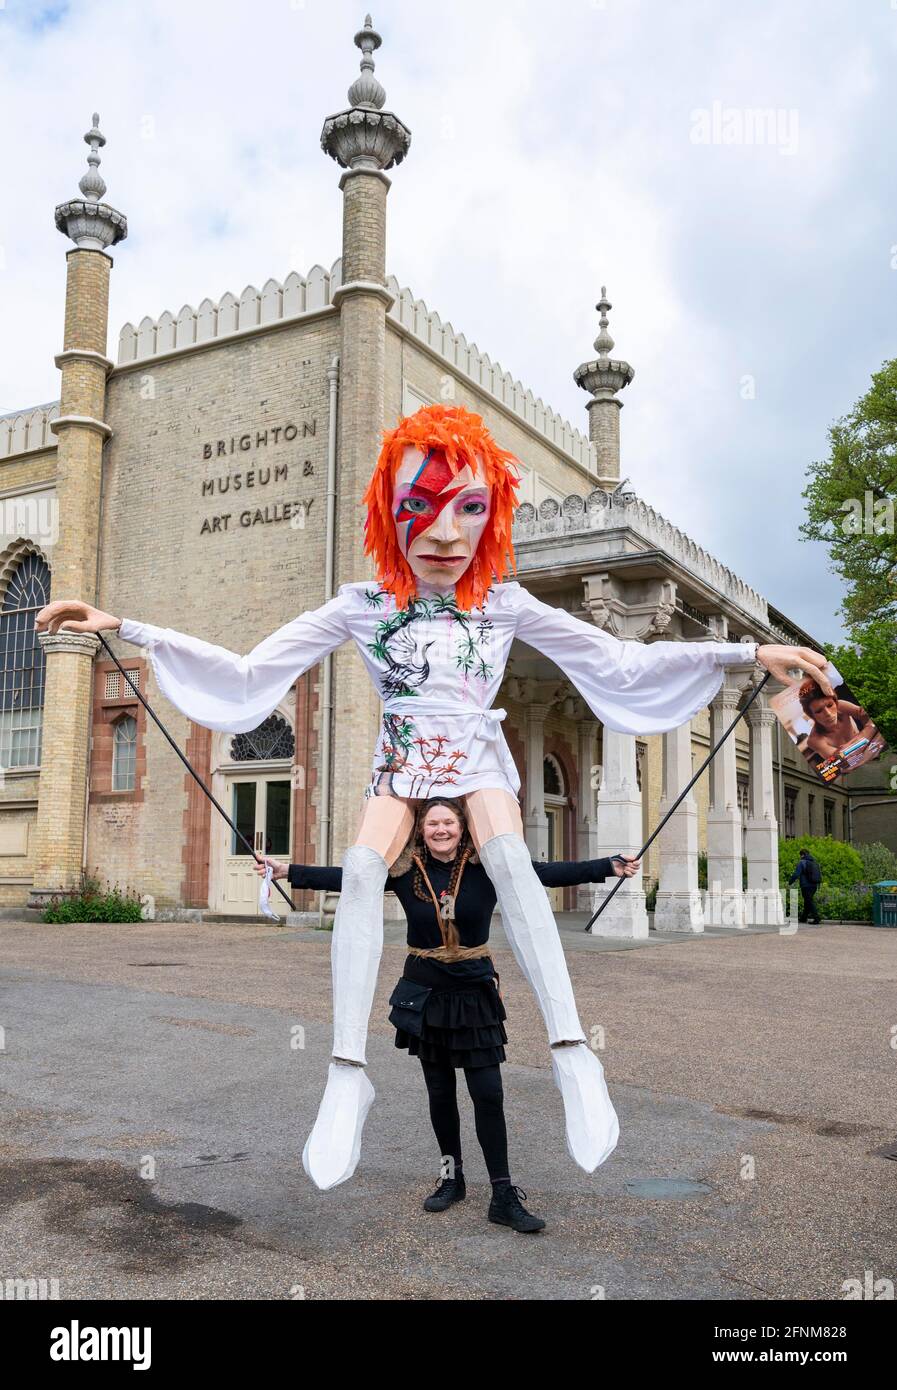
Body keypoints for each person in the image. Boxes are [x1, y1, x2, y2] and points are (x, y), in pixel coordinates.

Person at [35, 401, 834, 1193]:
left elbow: (621, 665)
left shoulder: (505, 603)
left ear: (492, 518)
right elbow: (250, 674)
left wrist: (747, 649)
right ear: (390, 513)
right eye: (419, 509)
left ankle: (569, 1051)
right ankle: (346, 1070)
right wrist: (128, 626)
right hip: (400, 754)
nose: (446, 536)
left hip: (479, 753)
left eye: (469, 511)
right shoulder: (362, 604)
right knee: (355, 871)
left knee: (515, 867)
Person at [259, 795, 639, 1232]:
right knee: (440, 1092)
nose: (441, 830)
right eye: (433, 823)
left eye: (449, 823)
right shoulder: (403, 872)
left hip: (474, 994)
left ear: (463, 827)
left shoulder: (488, 868)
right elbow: (350, 877)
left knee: (488, 1093)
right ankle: (450, 1178)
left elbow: (544, 873)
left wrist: (606, 866)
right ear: (421, 829)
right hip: (425, 995)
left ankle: (502, 1192)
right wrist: (287, 871)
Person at [788, 848, 822, 925]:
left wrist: (790, 882)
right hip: (814, 885)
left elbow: (796, 874)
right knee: (807, 901)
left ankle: (817, 918)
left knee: (809, 901)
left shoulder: (802, 862)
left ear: (802, 855)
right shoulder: (814, 862)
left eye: (800, 855)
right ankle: (803, 918)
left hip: (806, 886)